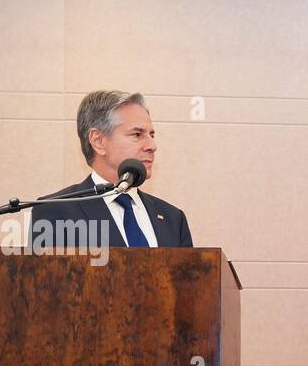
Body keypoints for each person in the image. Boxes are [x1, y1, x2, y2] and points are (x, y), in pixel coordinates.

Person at [30, 90, 192, 251]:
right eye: (137, 134)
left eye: (151, 135)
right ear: (98, 141)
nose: (152, 146)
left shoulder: (173, 219)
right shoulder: (55, 211)